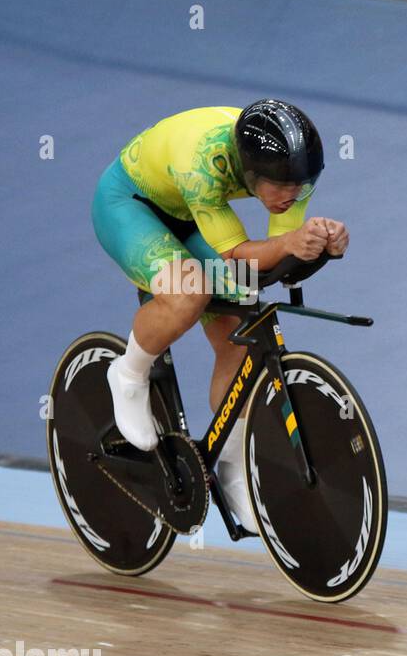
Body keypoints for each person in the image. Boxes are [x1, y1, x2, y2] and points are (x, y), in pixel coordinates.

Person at [91, 100, 348, 527]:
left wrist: (322, 244)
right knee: (189, 291)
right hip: (129, 206)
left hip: (189, 214)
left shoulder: (296, 175)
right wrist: (289, 245)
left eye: (301, 187)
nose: (292, 196)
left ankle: (230, 463)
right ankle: (129, 373)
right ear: (250, 174)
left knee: (242, 319)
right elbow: (235, 256)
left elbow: (272, 266)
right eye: (280, 187)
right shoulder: (203, 162)